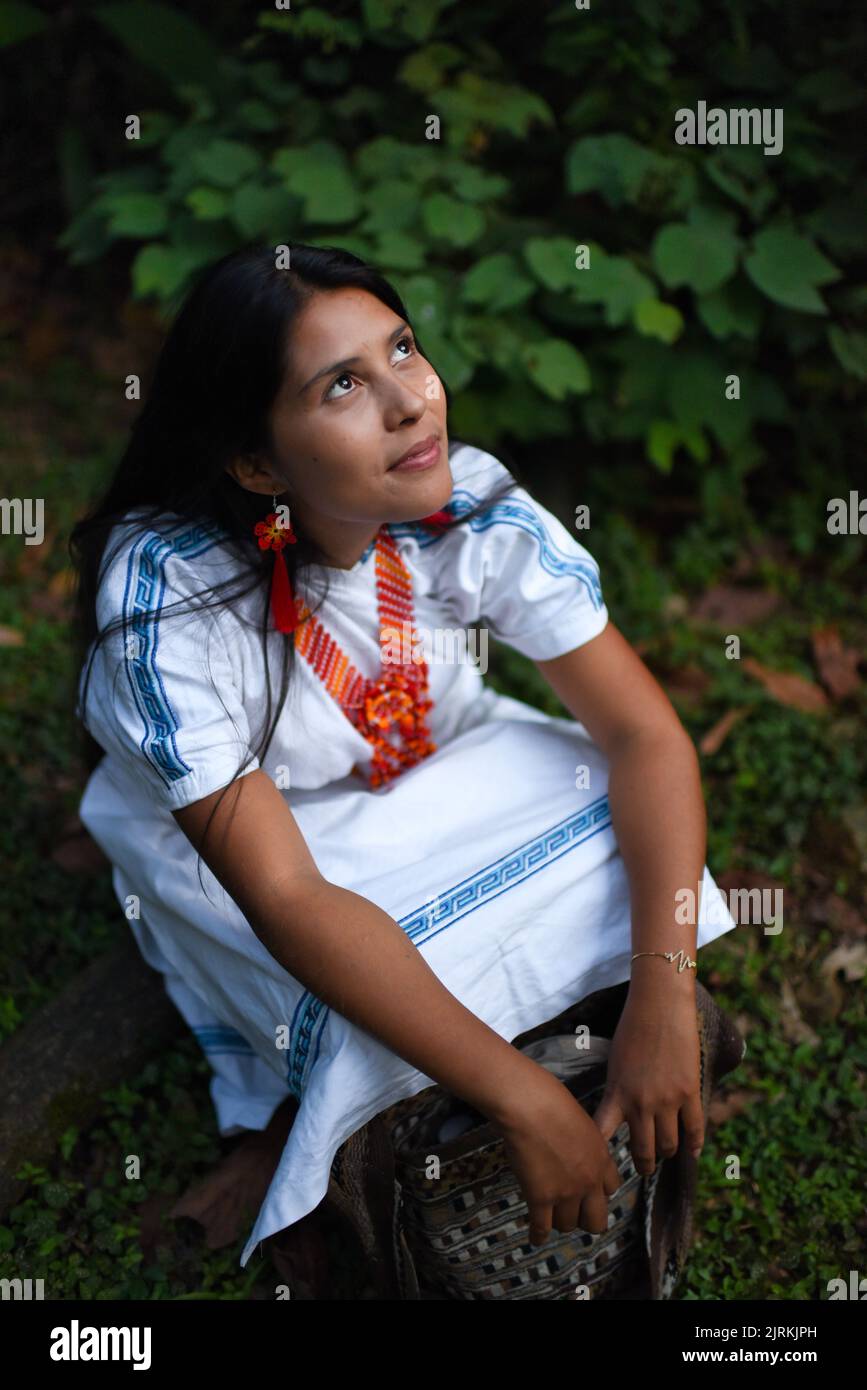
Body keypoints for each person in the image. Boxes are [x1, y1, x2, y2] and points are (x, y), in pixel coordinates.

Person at [70, 242, 736, 1273]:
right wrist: (520, 1099)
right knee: (365, 1004)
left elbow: (645, 734)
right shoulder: (169, 604)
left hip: (446, 767)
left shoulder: (465, 505)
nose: (411, 403)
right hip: (268, 847)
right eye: (343, 384)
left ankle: (580, 1032)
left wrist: (660, 984)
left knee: (630, 834)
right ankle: (473, 1086)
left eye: (403, 350)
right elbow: (288, 895)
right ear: (256, 462)